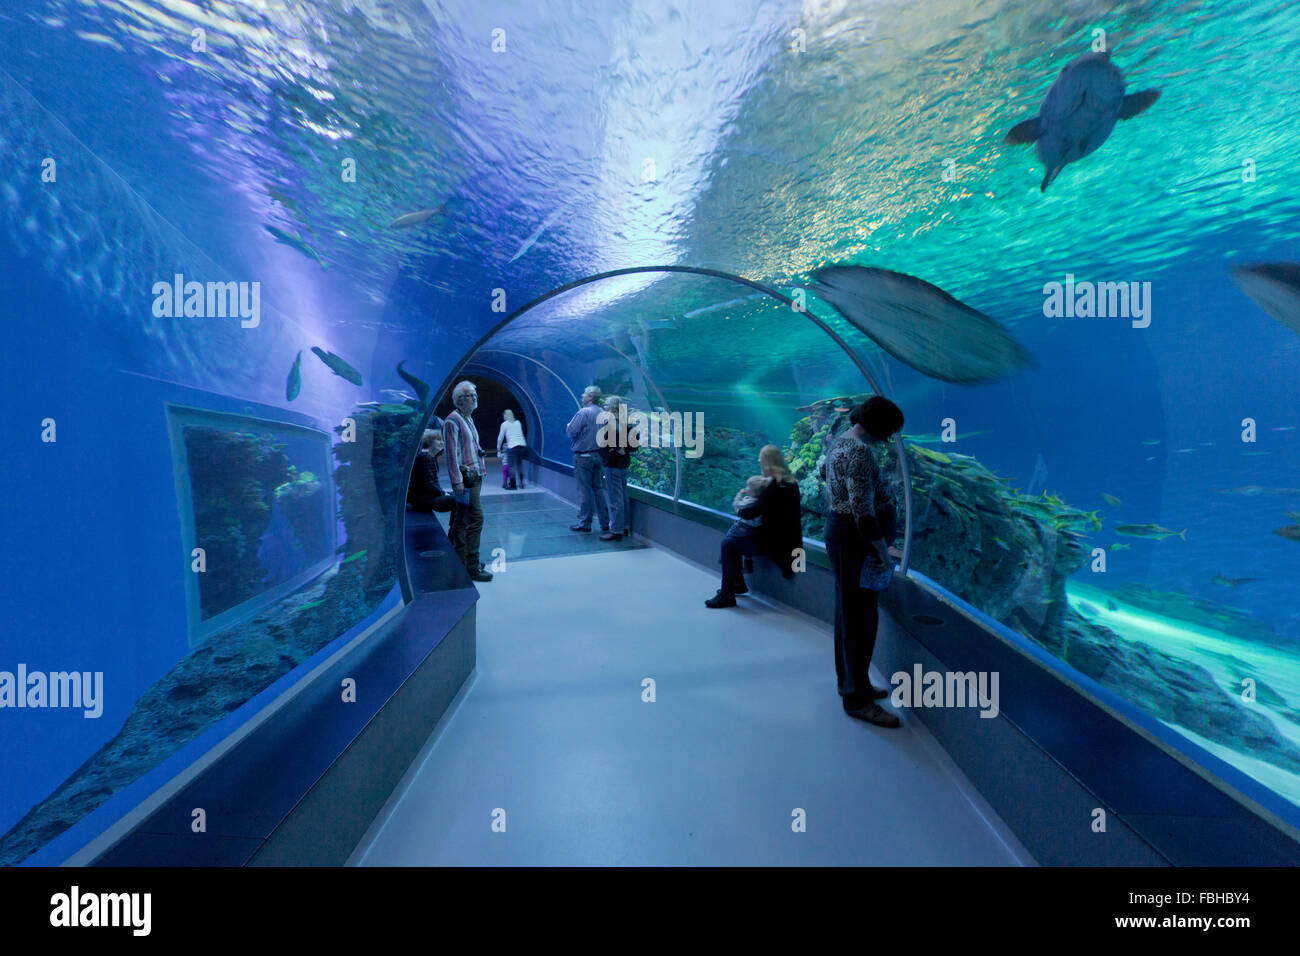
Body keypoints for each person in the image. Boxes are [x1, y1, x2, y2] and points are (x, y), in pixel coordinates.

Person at [822, 395, 905, 728]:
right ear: (881, 426)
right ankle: (857, 700)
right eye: (890, 429)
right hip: (856, 542)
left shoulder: (840, 440)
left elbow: (827, 479)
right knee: (860, 618)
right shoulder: (858, 453)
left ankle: (851, 683)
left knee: (849, 613)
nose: (889, 437)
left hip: (842, 537)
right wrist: (883, 553)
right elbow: (863, 514)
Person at [706, 445, 802, 608]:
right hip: (788, 539)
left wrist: (739, 508)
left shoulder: (774, 487)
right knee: (734, 538)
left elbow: (750, 513)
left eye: (761, 461)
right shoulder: (791, 484)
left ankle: (727, 593)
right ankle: (737, 584)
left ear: (767, 464)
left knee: (728, 544)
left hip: (775, 543)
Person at [444, 381, 492, 582]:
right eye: (470, 395)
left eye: (474, 395)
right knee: (475, 519)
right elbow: (451, 454)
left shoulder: (468, 418)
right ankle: (472, 566)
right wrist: (457, 482)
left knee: (462, 520)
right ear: (459, 400)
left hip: (475, 477)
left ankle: (460, 560)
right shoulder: (452, 421)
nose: (474, 398)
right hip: (465, 481)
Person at [565, 385, 609, 533]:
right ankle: (605, 522)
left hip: (583, 457)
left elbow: (571, 431)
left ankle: (585, 523)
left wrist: (569, 425)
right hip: (598, 455)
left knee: (585, 490)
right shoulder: (602, 412)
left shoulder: (584, 412)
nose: (582, 396)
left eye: (584, 394)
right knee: (598, 489)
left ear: (590, 397)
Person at [597, 395, 638, 540]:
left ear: (613, 408)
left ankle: (616, 529)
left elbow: (604, 444)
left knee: (615, 499)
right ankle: (625, 526)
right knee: (623, 497)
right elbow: (635, 445)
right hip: (623, 464)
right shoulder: (626, 423)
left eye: (607, 405)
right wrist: (623, 449)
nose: (604, 407)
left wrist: (612, 451)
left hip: (613, 465)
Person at [407, 424, 455, 513]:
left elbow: (432, 481)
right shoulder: (424, 457)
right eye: (438, 440)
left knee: (459, 496)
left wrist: (442, 492)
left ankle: (457, 525)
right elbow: (428, 482)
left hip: (429, 496)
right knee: (459, 500)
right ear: (429, 442)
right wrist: (443, 493)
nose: (442, 443)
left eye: (442, 440)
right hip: (424, 499)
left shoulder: (431, 456)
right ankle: (458, 526)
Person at [497, 409, 528, 490]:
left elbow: (500, 438)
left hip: (512, 446)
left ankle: (513, 485)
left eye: (503, 415)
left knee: (511, 466)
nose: (503, 417)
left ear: (505, 415)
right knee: (519, 465)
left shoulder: (504, 424)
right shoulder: (518, 422)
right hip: (522, 446)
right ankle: (521, 484)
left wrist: (498, 449)